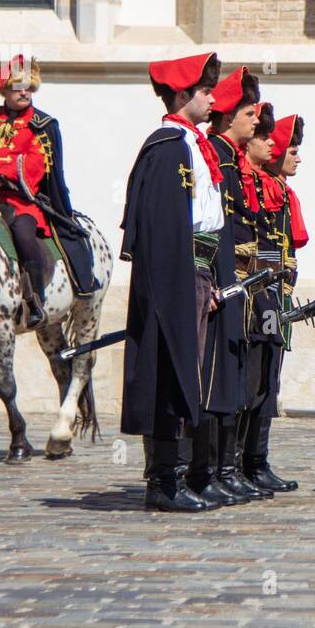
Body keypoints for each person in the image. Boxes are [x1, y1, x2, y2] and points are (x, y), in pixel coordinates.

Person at [118, 51, 224, 512]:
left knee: (187, 376)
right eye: (205, 91)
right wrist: (177, 286)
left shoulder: (192, 144)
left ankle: (176, 476)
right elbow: (162, 226)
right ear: (183, 94)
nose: (213, 98)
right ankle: (163, 481)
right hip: (176, 275)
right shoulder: (169, 147)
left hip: (197, 271)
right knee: (170, 375)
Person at [182, 65, 270, 507]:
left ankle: (221, 468)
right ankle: (204, 470)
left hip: (234, 282)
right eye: (249, 112)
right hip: (216, 278)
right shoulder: (212, 152)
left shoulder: (227, 157)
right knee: (213, 377)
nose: (257, 122)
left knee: (231, 378)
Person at [0, 55, 95, 328]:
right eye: (19, 87)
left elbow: (33, 168)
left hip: (21, 202)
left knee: (23, 234)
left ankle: (35, 299)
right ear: (5, 90)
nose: (25, 92)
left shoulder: (41, 125)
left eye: (30, 87)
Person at [236, 105, 303, 493]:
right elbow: (255, 247)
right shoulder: (252, 182)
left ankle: (257, 461)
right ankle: (238, 464)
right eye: (289, 148)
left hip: (275, 298)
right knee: (251, 383)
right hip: (256, 297)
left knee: (267, 385)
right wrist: (268, 291)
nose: (294, 154)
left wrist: (283, 293)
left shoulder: (277, 188)